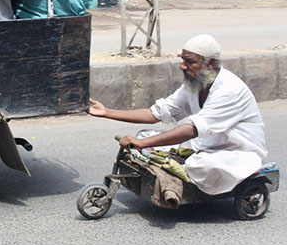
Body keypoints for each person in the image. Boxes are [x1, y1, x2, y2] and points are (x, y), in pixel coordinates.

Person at [88, 34, 267, 195]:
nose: (182, 66)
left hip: (235, 151)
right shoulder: (196, 83)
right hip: (205, 145)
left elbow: (191, 130)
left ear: (210, 63)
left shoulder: (229, 90)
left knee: (201, 165)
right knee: (145, 135)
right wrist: (107, 112)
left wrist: (143, 144)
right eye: (182, 60)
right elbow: (156, 114)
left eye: (190, 62)